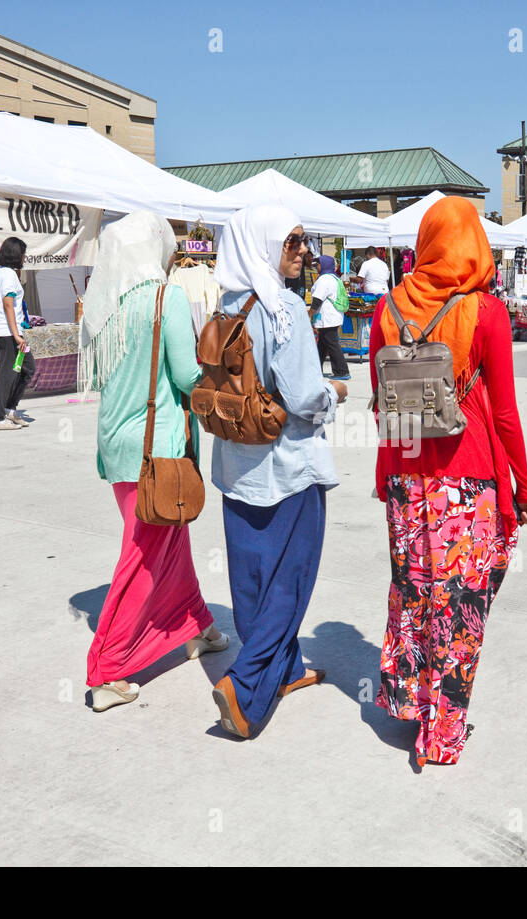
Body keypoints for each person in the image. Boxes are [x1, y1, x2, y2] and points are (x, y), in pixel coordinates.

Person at [368, 197, 527, 769]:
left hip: (407, 481)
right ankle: (442, 731)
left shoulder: (387, 309)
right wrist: (525, 486)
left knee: (414, 593)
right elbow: (507, 414)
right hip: (465, 483)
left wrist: (383, 473)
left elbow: (381, 405)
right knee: (461, 601)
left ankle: (414, 705)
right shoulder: (486, 312)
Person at [208, 205, 349, 739]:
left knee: (250, 578)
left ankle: (283, 669)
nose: (303, 250)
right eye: (292, 241)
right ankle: (243, 686)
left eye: (303, 240)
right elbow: (303, 394)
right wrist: (334, 393)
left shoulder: (228, 302)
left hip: (237, 463)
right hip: (288, 465)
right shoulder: (282, 305)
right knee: (290, 580)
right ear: (264, 244)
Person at [80, 212, 228, 713]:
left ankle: (198, 625)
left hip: (118, 448)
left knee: (170, 537)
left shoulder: (104, 307)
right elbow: (186, 376)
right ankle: (108, 669)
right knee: (142, 556)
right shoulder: (166, 298)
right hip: (158, 449)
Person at [0, 237, 35, 430]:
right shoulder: (8, 275)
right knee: (8, 373)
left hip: (2, 329)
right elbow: (7, 304)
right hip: (7, 331)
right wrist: (16, 335)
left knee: (26, 368)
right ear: (17, 255)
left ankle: (9, 408)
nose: (24, 257)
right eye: (23, 253)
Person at [310, 254, 351, 381]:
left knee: (332, 343)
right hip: (332, 316)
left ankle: (342, 371)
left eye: (318, 264)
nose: (316, 266)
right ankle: (315, 369)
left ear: (324, 265)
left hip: (328, 318)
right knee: (323, 344)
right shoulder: (334, 277)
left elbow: (317, 300)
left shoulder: (324, 280)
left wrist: (309, 314)